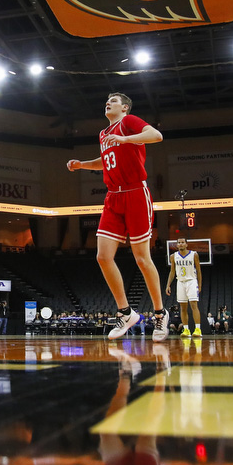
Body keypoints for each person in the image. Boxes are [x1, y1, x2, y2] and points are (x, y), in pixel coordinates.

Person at [67, 92, 169, 341]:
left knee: (142, 259)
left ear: (124, 107)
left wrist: (125, 139)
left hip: (135, 193)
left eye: (113, 101)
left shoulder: (129, 122)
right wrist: (82, 165)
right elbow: (106, 161)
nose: (108, 103)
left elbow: (156, 136)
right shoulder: (104, 134)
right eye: (107, 100)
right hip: (113, 196)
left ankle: (160, 313)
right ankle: (126, 313)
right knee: (103, 257)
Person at [165, 237, 203, 337]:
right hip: (180, 282)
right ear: (177, 245)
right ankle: (186, 330)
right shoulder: (173, 256)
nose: (181, 244)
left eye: (182, 242)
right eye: (179, 242)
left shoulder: (194, 254)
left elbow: (199, 271)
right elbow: (172, 272)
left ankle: (198, 329)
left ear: (186, 244)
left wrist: (199, 285)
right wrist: (168, 285)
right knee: (183, 307)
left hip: (191, 281)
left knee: (194, 305)